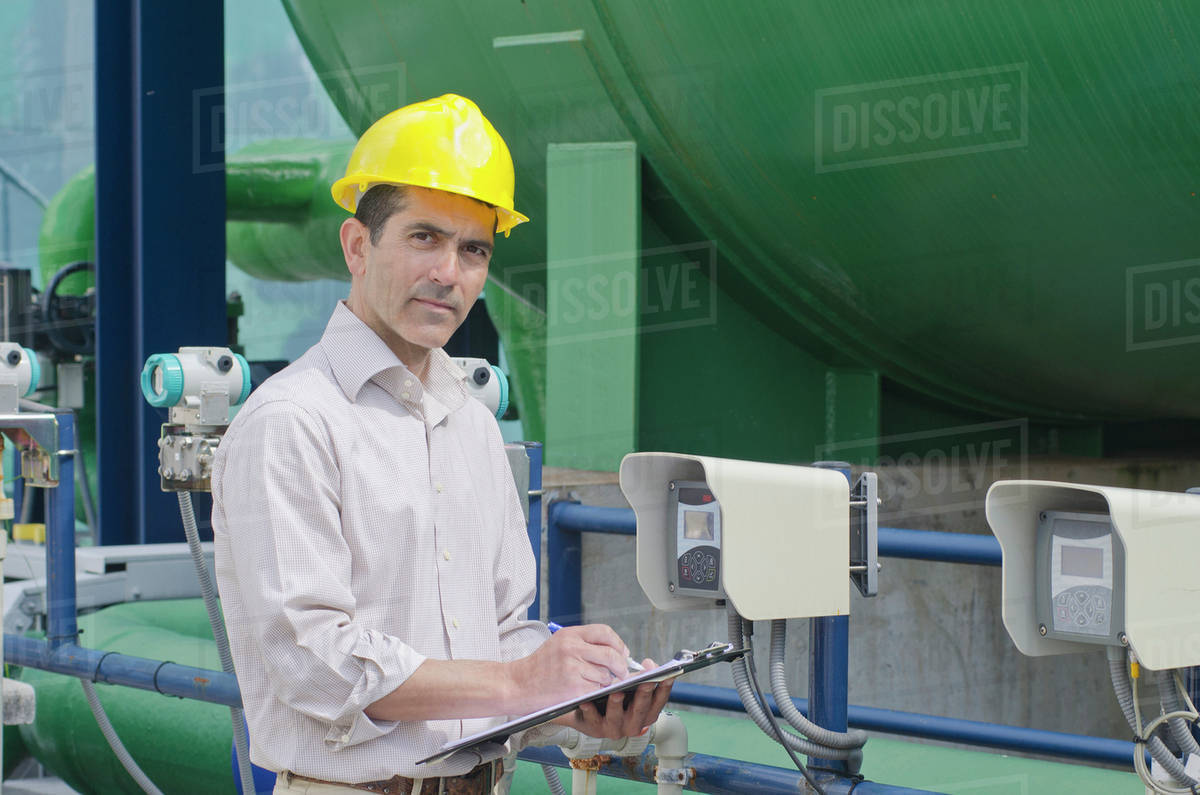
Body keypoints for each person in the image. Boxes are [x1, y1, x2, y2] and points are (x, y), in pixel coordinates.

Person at [212, 94, 671, 795]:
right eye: (424, 237)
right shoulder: (292, 421)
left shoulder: (473, 425)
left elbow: (502, 632)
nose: (450, 273)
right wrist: (516, 678)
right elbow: (315, 661)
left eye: (474, 249)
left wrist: (575, 696)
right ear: (357, 246)